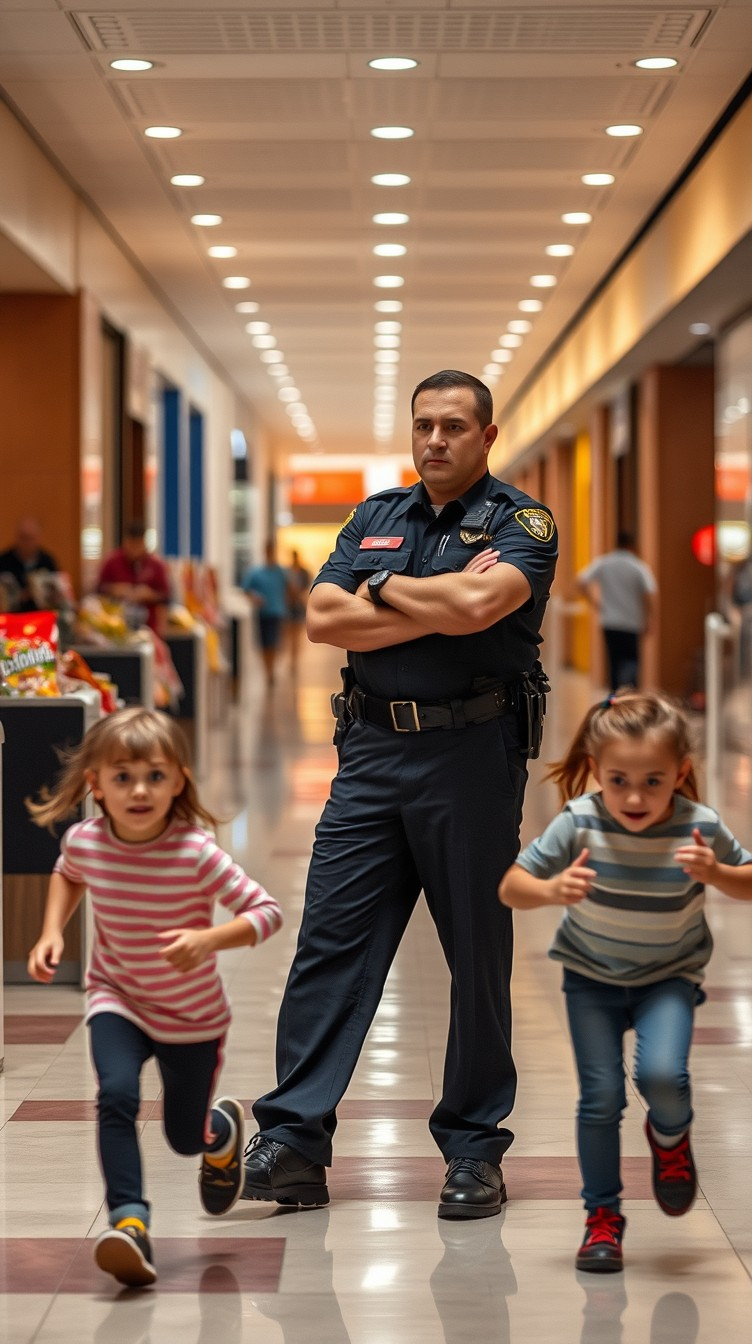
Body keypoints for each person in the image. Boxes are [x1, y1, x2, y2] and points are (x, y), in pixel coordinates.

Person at [242, 368, 558, 1219]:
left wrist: (380, 593)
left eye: (455, 426)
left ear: (487, 437)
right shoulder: (375, 515)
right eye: (424, 425)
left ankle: (472, 1148)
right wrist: (437, 601)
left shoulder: (522, 521)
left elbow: (486, 604)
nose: (436, 440)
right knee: (330, 943)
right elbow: (322, 618)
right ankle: (294, 1140)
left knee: (477, 957)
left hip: (473, 755)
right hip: (371, 754)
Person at [26, 707, 283, 1289]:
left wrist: (211, 938)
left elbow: (266, 912)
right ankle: (130, 1223)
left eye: (154, 776)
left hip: (192, 1018)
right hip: (115, 996)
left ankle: (218, 1136)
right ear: (95, 784)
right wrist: (50, 932)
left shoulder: (195, 852)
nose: (139, 790)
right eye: (122, 777)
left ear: (178, 781)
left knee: (183, 1136)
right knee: (114, 1097)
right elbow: (67, 872)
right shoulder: (87, 841)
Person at [499, 691, 752, 1272]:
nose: (635, 797)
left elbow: (747, 879)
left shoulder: (699, 826)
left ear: (681, 773)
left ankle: (670, 1138)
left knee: (663, 1076)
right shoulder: (579, 821)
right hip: (590, 978)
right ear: (595, 770)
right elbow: (512, 886)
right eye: (618, 781)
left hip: (669, 976)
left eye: (654, 781)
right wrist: (551, 890)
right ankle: (602, 1221)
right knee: (600, 1098)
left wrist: (715, 873)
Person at [576, 532, 657, 691]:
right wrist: (650, 618)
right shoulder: (638, 566)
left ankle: (615, 697)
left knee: (614, 662)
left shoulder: (604, 562)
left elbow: (581, 580)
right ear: (632, 545)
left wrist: (595, 603)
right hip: (632, 622)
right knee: (631, 661)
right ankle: (629, 694)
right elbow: (649, 592)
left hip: (609, 621)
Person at [97, 522, 171, 634]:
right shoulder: (112, 562)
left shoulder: (156, 565)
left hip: (150, 628)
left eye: (138, 545)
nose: (134, 550)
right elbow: (98, 589)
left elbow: (166, 597)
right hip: (117, 627)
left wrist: (150, 595)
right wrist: (114, 589)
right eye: (131, 544)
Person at [242, 540, 289, 688]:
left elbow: (289, 589)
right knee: (264, 643)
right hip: (263, 613)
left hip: (277, 612)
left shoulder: (281, 572)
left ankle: (271, 670)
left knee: (274, 642)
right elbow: (246, 589)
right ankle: (267, 669)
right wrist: (254, 598)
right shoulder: (256, 572)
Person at [0, 516, 58, 611]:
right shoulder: (4, 561)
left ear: (38, 538)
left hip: (41, 616)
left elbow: (56, 595)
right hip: (12, 617)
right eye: (23, 538)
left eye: (30, 538)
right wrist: (21, 596)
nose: (26, 543)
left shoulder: (47, 561)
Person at [285, 548, 312, 676]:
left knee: (296, 634)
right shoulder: (288, 571)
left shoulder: (303, 572)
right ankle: (290, 656)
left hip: (298, 605)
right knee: (289, 633)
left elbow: (306, 586)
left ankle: (294, 658)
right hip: (289, 605)